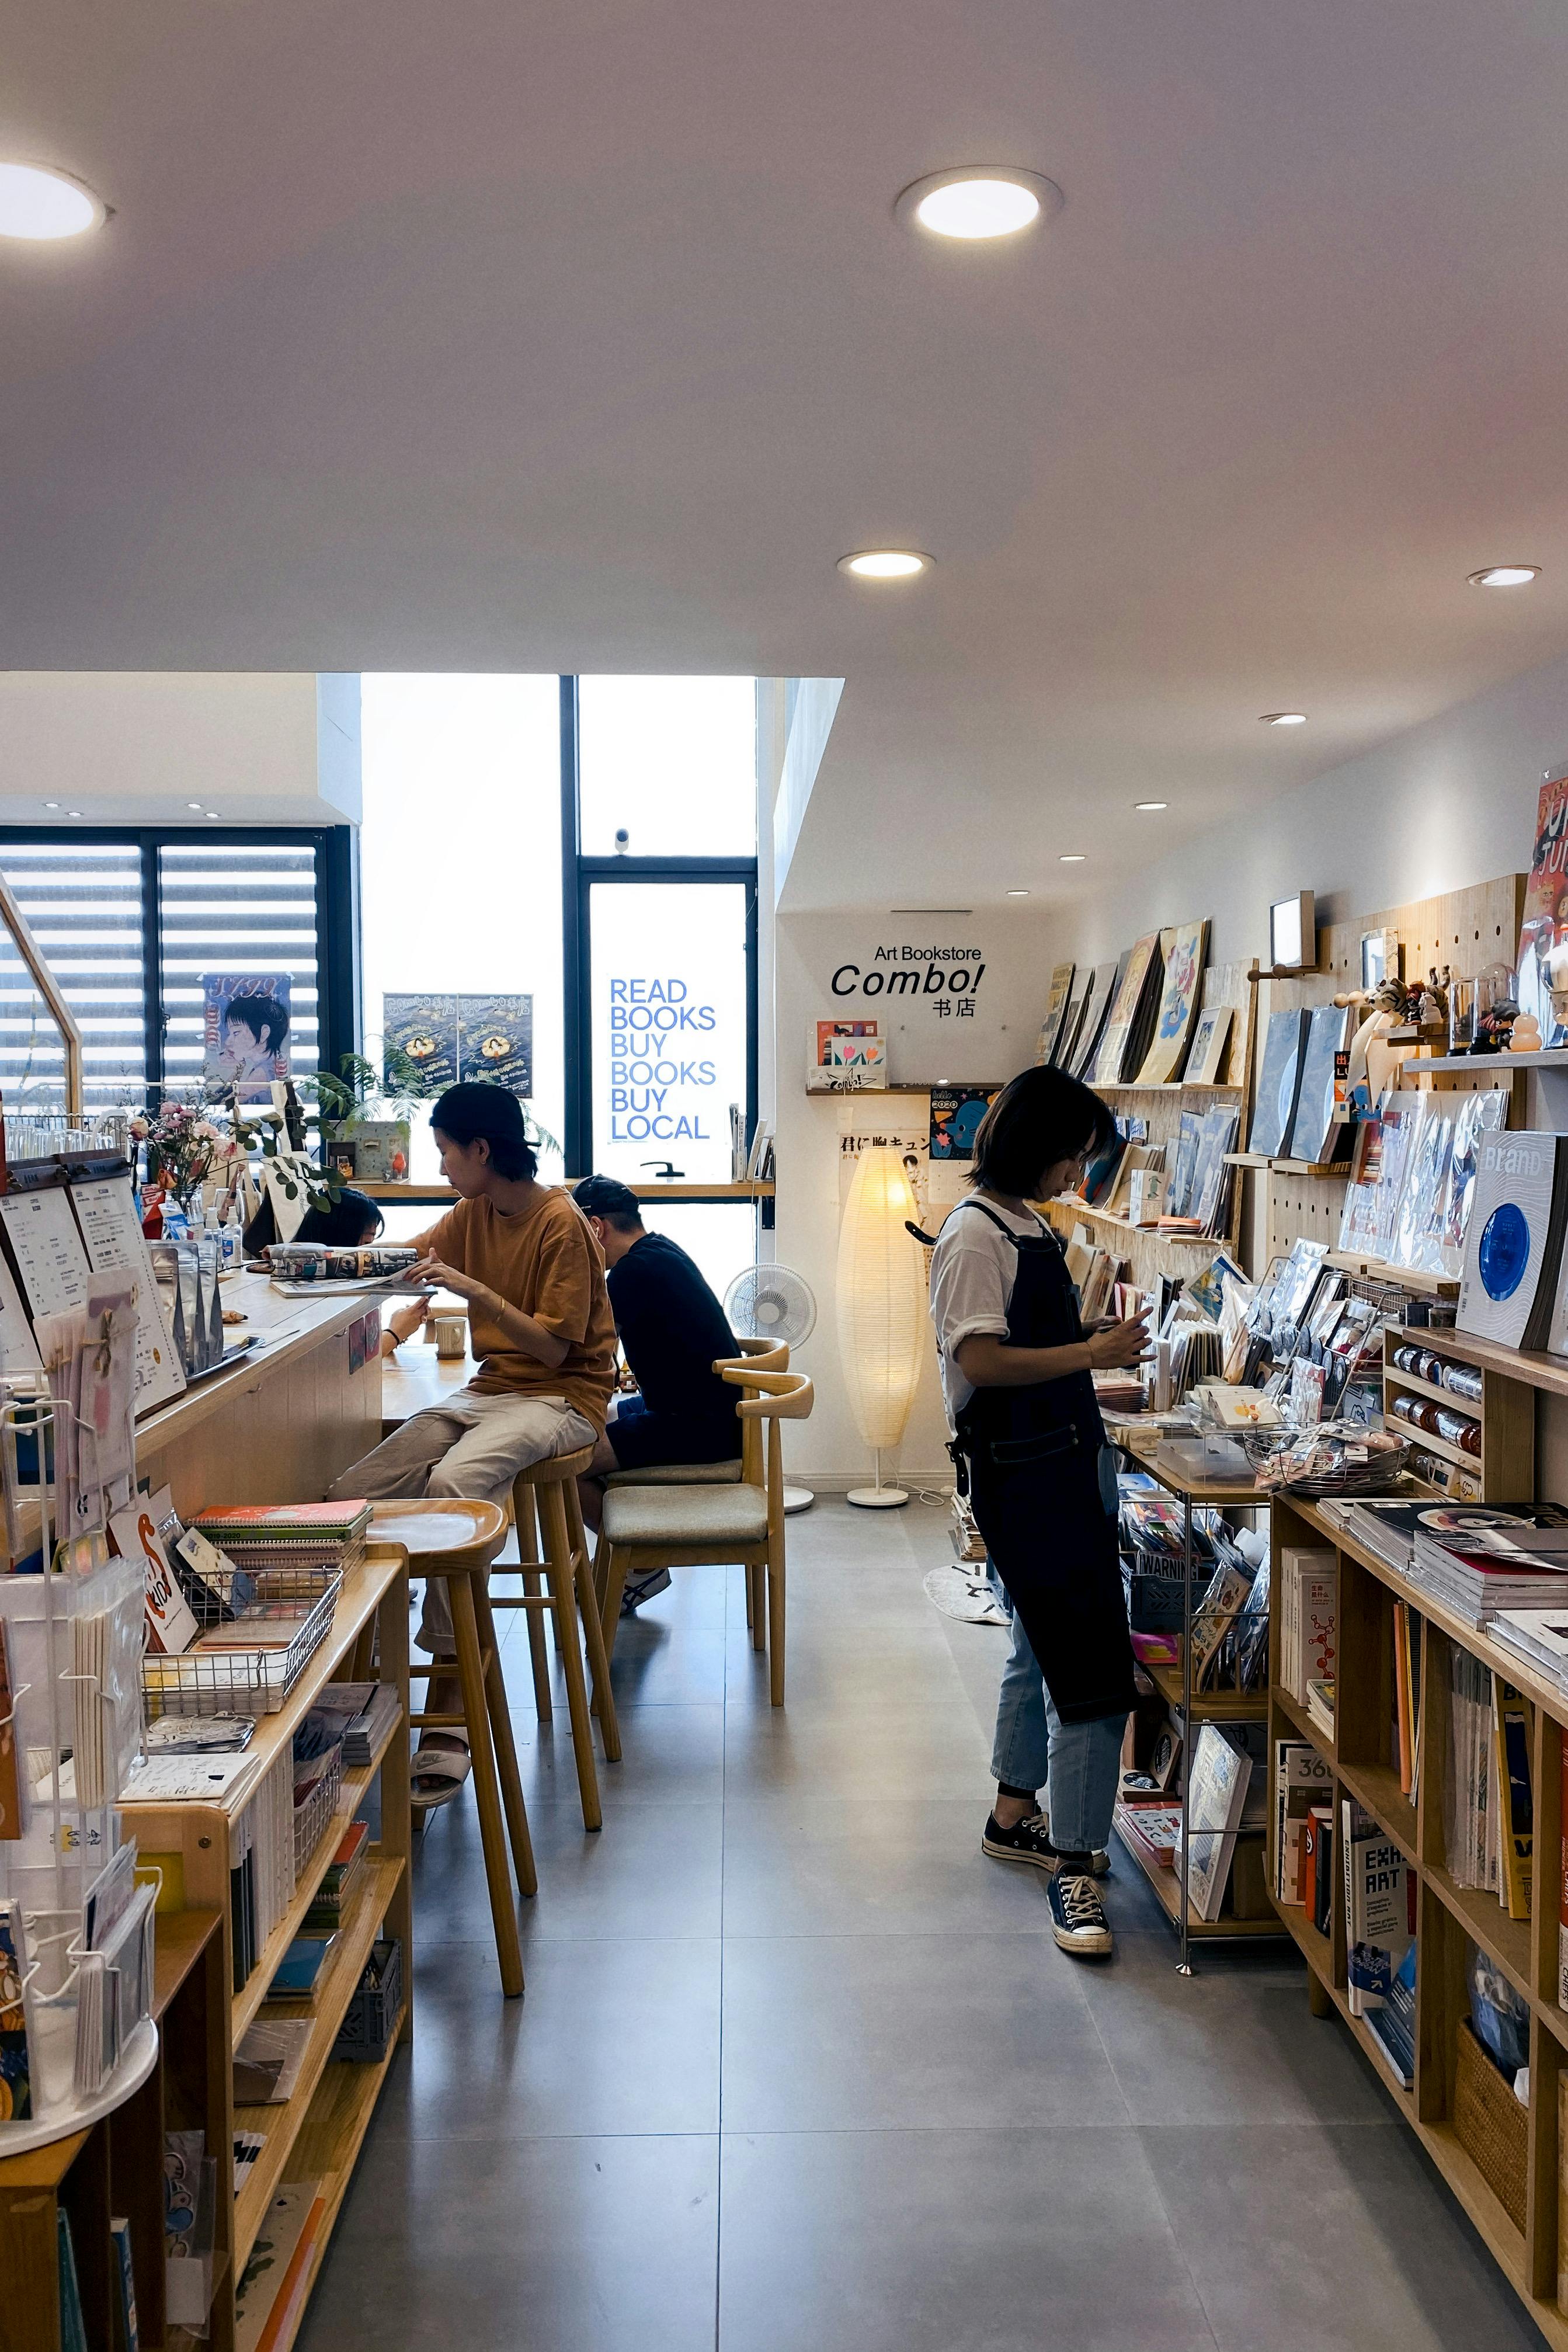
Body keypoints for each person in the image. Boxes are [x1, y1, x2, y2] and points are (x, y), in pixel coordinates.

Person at [326, 1085, 616, 1807]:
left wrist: (473, 1292)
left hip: (564, 1397)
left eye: (447, 1153)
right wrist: (310, 1264)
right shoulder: (472, 1214)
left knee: (454, 1487)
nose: (443, 1168)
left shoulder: (562, 1224)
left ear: (482, 1150)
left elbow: (553, 1351)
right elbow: (404, 1260)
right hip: (490, 1392)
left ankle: (449, 1714)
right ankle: (358, 1686)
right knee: (348, 1498)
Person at [928, 1065, 1150, 1960]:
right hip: (1030, 1473)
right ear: (1040, 1145)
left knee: (1036, 1647)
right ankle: (1076, 1863)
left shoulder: (1022, 1223)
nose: (1076, 1174)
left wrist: (1086, 1348)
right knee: (1092, 1673)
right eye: (1072, 1155)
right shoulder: (977, 1233)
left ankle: (1013, 1812)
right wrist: (1089, 1351)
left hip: (1058, 1461)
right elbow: (979, 1358)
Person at [571, 1176, 740, 1605]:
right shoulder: (660, 1248)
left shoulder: (630, 1274)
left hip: (697, 1425)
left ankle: (639, 1565)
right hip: (712, 1409)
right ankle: (623, 1556)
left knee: (563, 1465)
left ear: (595, 1227)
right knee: (596, 1427)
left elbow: (595, 1358)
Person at [217, 992, 290, 1093]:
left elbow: (220, 1103)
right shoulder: (269, 1066)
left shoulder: (261, 1074)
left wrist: (237, 1071)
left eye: (236, 1033)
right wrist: (239, 1068)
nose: (228, 1042)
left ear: (264, 1033)